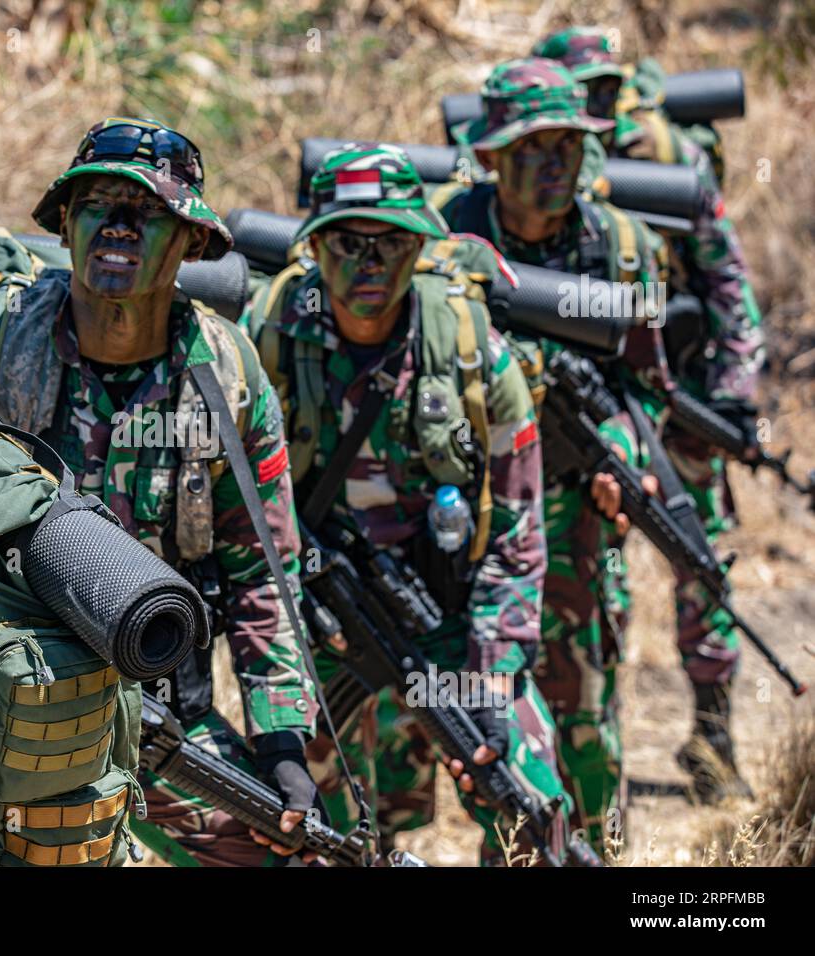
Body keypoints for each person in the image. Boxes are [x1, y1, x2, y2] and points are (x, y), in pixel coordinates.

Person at [0, 118, 324, 866]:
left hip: (157, 713)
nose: (116, 227)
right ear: (65, 224)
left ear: (190, 242)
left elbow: (263, 576)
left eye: (145, 211)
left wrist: (281, 741)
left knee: (280, 848)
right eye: (96, 206)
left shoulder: (230, 375)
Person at [243, 144, 571, 863]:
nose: (368, 264)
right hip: (317, 620)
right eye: (347, 243)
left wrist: (488, 679)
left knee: (531, 800)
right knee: (289, 819)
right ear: (315, 248)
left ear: (420, 245)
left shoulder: (472, 349)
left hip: (444, 616)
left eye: (390, 243)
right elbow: (233, 513)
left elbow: (517, 534)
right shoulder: (265, 338)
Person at [433, 59, 673, 849]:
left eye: (568, 144)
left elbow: (647, 386)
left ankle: (596, 851)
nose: (553, 164)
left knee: (586, 717)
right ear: (493, 155)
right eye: (532, 147)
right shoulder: (444, 237)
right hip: (467, 508)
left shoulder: (623, 246)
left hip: (574, 511)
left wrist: (629, 455)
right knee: (469, 710)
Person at [534, 27, 764, 801]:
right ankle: (598, 753)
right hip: (577, 409)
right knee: (597, 590)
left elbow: (729, 285)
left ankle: (714, 738)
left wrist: (732, 395)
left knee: (699, 563)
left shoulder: (667, 157)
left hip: (679, 399)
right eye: (578, 95)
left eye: (605, 89)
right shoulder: (536, 172)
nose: (596, 110)